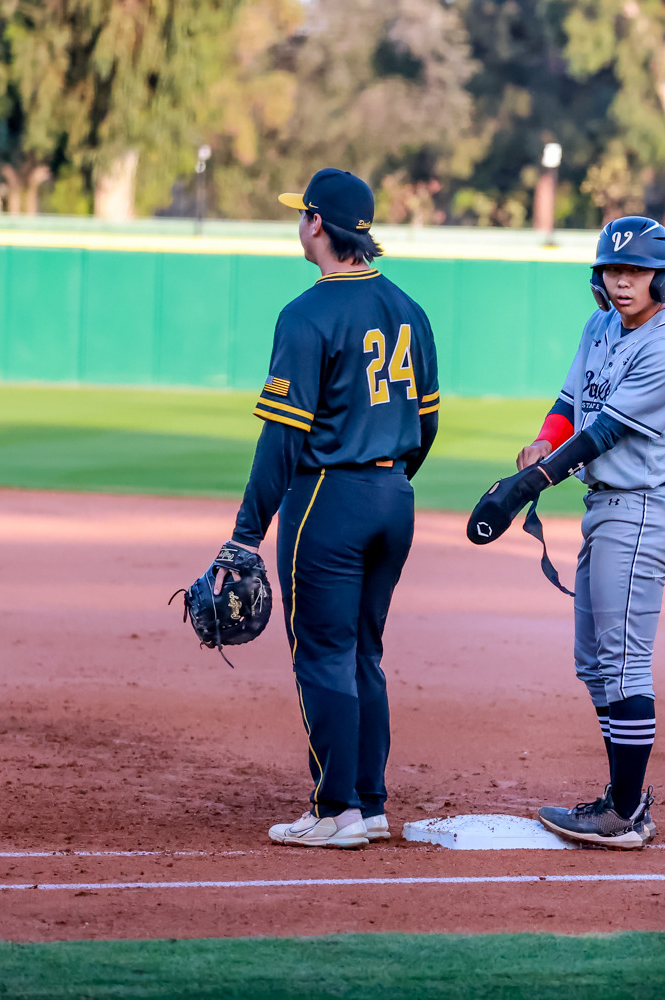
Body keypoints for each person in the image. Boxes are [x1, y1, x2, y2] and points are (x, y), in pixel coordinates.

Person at [217, 167, 440, 849]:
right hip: (393, 498)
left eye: (301, 215)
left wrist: (244, 535)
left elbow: (282, 439)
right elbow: (426, 425)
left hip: (327, 500)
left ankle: (334, 810)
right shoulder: (410, 308)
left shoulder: (306, 313)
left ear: (316, 224)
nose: (299, 224)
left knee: (321, 654)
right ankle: (369, 806)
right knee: (363, 653)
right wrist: (389, 483)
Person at [467, 216, 665, 849]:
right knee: (593, 663)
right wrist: (544, 440)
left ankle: (625, 813)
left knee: (623, 663)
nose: (623, 283)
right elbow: (572, 406)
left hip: (644, 508)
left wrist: (531, 483)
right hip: (607, 509)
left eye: (637, 272)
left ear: (661, 278)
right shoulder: (600, 327)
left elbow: (605, 435)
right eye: (613, 271)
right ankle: (622, 798)